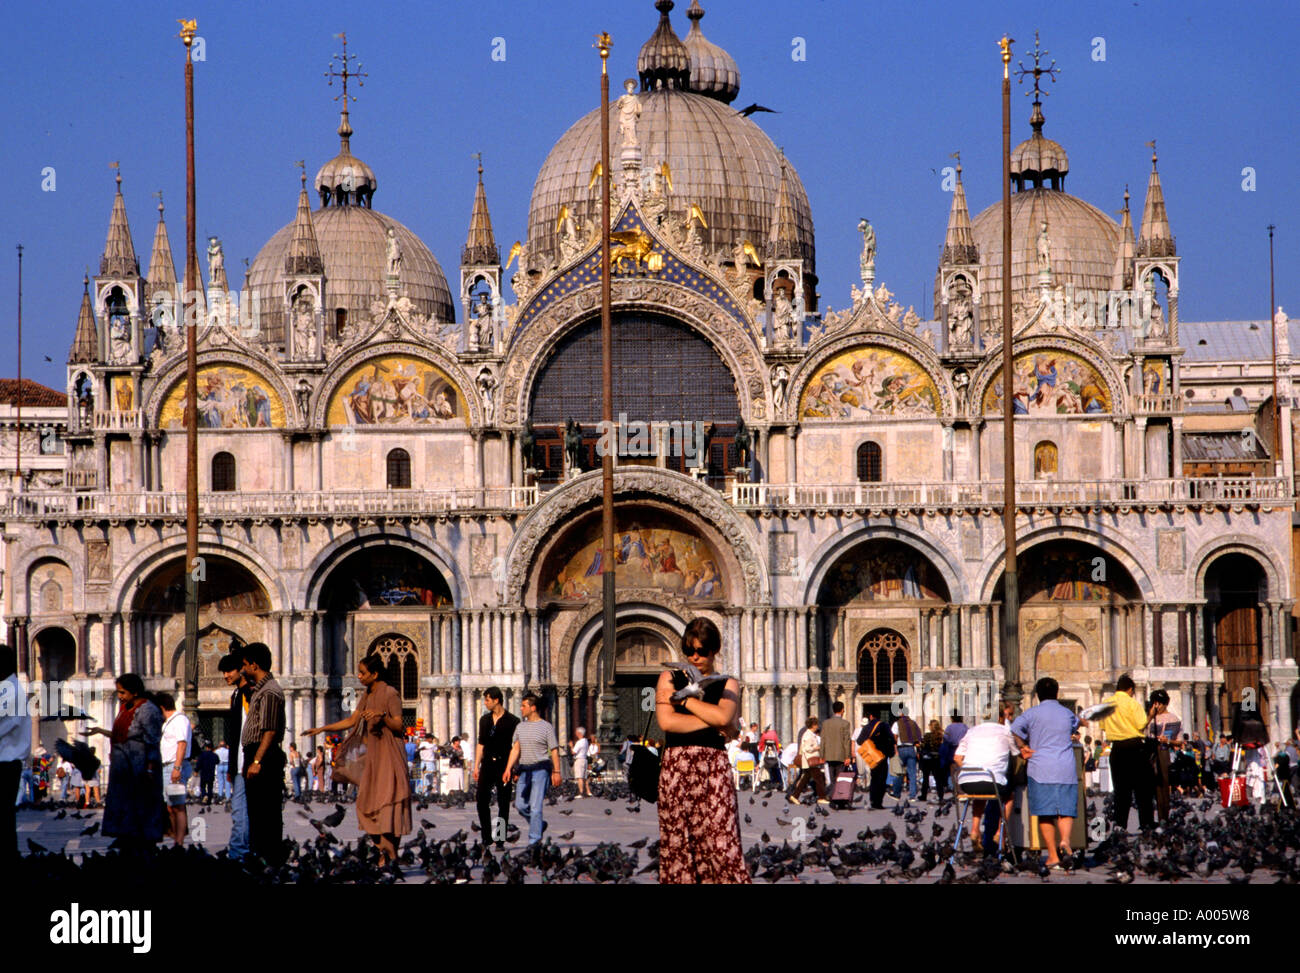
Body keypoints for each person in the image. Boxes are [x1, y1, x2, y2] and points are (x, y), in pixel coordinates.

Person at [653, 617, 750, 884]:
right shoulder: (667, 676)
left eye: (702, 651)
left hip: (713, 770)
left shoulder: (728, 683)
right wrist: (713, 720)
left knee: (723, 841)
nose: (695, 657)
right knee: (679, 843)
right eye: (689, 651)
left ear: (714, 650)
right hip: (677, 769)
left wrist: (684, 699)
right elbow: (667, 722)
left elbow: (724, 719)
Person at [304, 653, 411, 866]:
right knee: (365, 805)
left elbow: (400, 725)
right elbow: (353, 720)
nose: (359, 676)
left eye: (363, 673)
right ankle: (384, 850)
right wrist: (323, 728)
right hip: (373, 756)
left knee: (389, 804)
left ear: (375, 674)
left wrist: (382, 717)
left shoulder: (391, 693)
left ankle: (389, 854)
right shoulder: (366, 695)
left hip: (389, 754)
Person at [87, 673, 167, 853]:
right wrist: (100, 730)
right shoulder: (124, 708)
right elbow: (121, 734)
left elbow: (152, 741)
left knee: (141, 808)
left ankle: (143, 845)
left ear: (135, 692)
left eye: (123, 692)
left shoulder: (148, 710)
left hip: (139, 770)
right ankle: (126, 840)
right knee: (124, 806)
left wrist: (150, 769)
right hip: (122, 770)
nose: (120, 696)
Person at [1011, 677, 1081, 869]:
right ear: (1057, 693)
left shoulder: (1031, 713)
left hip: (1040, 768)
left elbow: (1014, 728)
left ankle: (1052, 855)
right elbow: (1076, 725)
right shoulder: (1067, 713)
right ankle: (1065, 839)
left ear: (1038, 694)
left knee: (1045, 813)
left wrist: (1023, 746)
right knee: (1065, 810)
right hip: (1065, 767)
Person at [239, 643, 287, 867]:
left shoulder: (269, 692)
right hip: (257, 753)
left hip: (263, 756)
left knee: (265, 812)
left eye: (244, 664)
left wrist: (256, 761)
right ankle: (262, 858)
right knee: (257, 812)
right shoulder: (260, 689)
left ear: (254, 664)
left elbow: (270, 731)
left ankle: (269, 861)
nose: (242, 669)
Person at [953, 702, 1018, 853]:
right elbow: (1015, 753)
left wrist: (970, 767)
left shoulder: (972, 731)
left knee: (979, 793)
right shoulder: (1005, 731)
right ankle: (999, 832)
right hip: (992, 780)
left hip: (966, 781)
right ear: (1001, 717)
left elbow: (957, 757)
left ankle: (975, 830)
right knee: (1009, 796)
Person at [1095, 674, 1155, 831]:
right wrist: (1150, 716)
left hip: (1117, 750)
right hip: (1134, 747)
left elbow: (1102, 726)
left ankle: (1120, 824)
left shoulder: (1105, 703)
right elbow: (1141, 724)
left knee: (1121, 790)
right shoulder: (1132, 703)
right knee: (1142, 789)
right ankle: (1146, 824)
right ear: (1130, 689)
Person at [503, 692, 561, 847]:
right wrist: (508, 769)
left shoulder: (546, 727)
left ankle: (534, 840)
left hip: (541, 770)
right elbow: (515, 749)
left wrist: (557, 772)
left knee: (536, 807)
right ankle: (539, 825)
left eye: (524, 706)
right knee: (521, 805)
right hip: (524, 770)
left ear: (533, 707)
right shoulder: (520, 727)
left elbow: (554, 750)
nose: (521, 708)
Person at [473, 687, 519, 849]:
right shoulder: (484, 720)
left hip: (504, 765)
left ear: (496, 700)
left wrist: (513, 768)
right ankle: (486, 836)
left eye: (487, 700)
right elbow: (481, 744)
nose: (485, 703)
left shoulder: (513, 721)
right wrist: (476, 765)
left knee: (503, 802)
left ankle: (500, 839)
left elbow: (516, 747)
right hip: (487, 765)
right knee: (481, 800)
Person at [217, 654, 251, 861]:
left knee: (240, 811)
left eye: (229, 670)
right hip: (238, 764)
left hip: (246, 762)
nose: (225, 675)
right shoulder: (237, 694)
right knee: (240, 810)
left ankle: (239, 853)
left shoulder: (249, 694)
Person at [0, 644, 31, 861]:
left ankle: (8, 858)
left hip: (5, 762)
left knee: (3, 815)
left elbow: (4, 724)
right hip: (6, 761)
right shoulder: (8, 688)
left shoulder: (10, 690)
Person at [156, 692, 193, 847]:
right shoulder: (169, 722)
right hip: (167, 766)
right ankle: (175, 837)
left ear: (161, 707)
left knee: (178, 806)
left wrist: (177, 768)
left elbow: (182, 744)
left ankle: (179, 842)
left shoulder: (179, 720)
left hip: (175, 765)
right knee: (170, 806)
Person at [1147, 689, 1180, 822]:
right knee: (1150, 786)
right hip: (1150, 752)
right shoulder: (1150, 718)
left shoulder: (1173, 718)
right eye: (1155, 703)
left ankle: (1163, 816)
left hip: (1164, 751)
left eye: (1159, 703)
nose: (1157, 707)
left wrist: (1169, 741)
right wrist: (1149, 716)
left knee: (1163, 785)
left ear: (1165, 704)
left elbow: (1180, 740)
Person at [787, 717, 830, 805]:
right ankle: (821, 797)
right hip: (810, 760)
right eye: (817, 724)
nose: (818, 726)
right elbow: (807, 748)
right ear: (813, 725)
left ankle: (794, 796)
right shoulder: (808, 735)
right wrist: (818, 747)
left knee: (806, 779)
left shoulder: (810, 734)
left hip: (810, 760)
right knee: (819, 779)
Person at [858, 712, 896, 809]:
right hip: (883, 756)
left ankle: (873, 800)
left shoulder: (867, 727)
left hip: (872, 756)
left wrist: (870, 743)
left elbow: (859, 740)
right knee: (882, 779)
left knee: (874, 777)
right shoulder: (885, 726)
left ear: (870, 716)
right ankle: (878, 802)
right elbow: (892, 739)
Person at [821, 701, 853, 804]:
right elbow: (846, 741)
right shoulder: (845, 723)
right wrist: (848, 756)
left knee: (832, 777)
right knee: (839, 778)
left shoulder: (826, 723)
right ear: (842, 710)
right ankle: (836, 797)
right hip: (841, 755)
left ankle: (833, 796)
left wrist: (822, 754)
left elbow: (823, 740)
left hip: (829, 755)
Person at [891, 706, 923, 801]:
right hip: (911, 748)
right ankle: (912, 795)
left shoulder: (897, 723)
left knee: (899, 772)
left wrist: (895, 749)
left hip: (901, 749)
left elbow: (895, 737)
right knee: (912, 773)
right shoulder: (913, 723)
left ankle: (897, 793)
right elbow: (918, 736)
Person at [919, 719, 945, 802]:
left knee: (925, 778)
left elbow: (923, 746)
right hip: (937, 758)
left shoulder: (927, 735)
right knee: (938, 778)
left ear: (930, 726)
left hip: (927, 759)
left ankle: (924, 795)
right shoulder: (940, 736)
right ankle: (940, 795)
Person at [195, 742, 219, 806]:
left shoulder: (202, 755)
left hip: (203, 772)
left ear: (206, 747)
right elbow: (217, 761)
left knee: (203, 786)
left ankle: (204, 796)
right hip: (211, 772)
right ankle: (209, 799)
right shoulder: (214, 755)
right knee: (210, 787)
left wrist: (196, 770)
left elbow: (199, 763)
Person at [571, 727, 591, 797]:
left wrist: (571, 746)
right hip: (584, 759)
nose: (575, 734)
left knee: (579, 777)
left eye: (576, 732)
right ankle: (588, 792)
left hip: (579, 759)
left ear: (579, 733)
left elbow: (573, 752)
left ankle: (581, 792)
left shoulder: (579, 742)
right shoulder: (586, 741)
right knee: (584, 777)